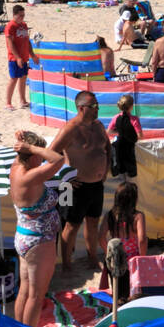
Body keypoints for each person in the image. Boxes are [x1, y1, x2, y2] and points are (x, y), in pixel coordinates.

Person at [50, 90, 112, 270]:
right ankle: (67, 265)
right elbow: (51, 153)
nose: (97, 109)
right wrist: (64, 177)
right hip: (73, 187)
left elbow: (107, 147)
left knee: (93, 222)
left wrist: (105, 170)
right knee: (70, 226)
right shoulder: (70, 129)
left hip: (96, 185)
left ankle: (92, 258)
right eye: (93, 106)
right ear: (81, 108)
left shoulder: (98, 125)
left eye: (98, 105)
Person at [10, 133, 66, 327]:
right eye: (39, 156)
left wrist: (25, 143)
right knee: (36, 295)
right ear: (31, 155)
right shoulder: (31, 176)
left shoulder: (16, 168)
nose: (42, 159)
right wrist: (33, 147)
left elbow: (25, 157)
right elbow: (59, 159)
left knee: (25, 291)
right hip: (39, 240)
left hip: (24, 236)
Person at [99, 181, 146, 302]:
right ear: (134, 199)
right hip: (131, 261)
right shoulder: (138, 216)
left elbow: (101, 237)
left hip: (115, 258)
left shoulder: (110, 215)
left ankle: (119, 301)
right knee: (132, 293)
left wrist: (108, 253)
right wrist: (142, 258)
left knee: (118, 291)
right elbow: (142, 240)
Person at [4, 5, 36, 109]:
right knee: (14, 79)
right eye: (20, 15)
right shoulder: (10, 26)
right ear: (14, 15)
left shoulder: (24, 25)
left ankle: (23, 101)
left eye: (23, 15)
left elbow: (27, 41)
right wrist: (17, 58)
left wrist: (32, 55)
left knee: (23, 78)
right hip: (14, 58)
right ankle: (8, 103)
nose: (22, 17)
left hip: (24, 57)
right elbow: (10, 44)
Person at [109, 93, 140, 178]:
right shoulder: (134, 119)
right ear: (131, 106)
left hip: (119, 148)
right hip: (129, 150)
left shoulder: (115, 118)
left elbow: (109, 131)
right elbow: (140, 135)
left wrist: (119, 131)